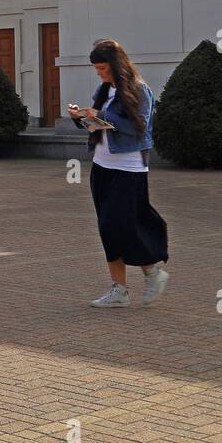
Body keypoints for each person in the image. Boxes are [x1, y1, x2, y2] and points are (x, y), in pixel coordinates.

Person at [70, 39, 169, 308]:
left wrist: (101, 115)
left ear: (116, 65)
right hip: (103, 166)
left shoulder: (139, 89)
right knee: (107, 228)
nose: (100, 73)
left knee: (122, 224)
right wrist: (82, 118)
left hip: (129, 167)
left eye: (103, 68)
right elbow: (100, 126)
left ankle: (153, 272)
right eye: (97, 69)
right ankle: (119, 291)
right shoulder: (106, 89)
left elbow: (139, 128)